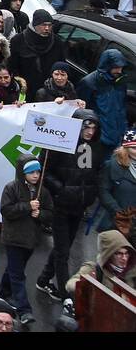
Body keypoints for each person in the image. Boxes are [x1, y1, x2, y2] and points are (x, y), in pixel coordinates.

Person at [37, 109, 101, 301]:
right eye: (86, 127)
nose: (90, 131)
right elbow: (45, 171)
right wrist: (61, 189)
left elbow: (94, 173)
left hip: (79, 206)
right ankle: (66, 295)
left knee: (62, 247)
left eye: (93, 127)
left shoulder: (94, 147)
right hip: (61, 205)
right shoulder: (59, 145)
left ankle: (43, 279)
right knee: (63, 252)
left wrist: (90, 194)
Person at [0, 155, 54, 326]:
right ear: (23, 173)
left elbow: (50, 213)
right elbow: (6, 210)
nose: (36, 175)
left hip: (31, 239)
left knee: (15, 268)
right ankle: (24, 310)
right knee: (18, 274)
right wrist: (27, 206)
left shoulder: (42, 192)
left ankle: (2, 291)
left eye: (37, 171)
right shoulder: (11, 188)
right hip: (13, 238)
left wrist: (41, 214)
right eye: (31, 172)